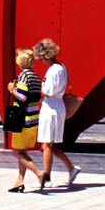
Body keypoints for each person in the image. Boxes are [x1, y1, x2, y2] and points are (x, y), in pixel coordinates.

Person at [33, 38, 79, 187]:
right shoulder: (61, 67)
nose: (41, 61)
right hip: (57, 106)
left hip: (51, 107)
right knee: (49, 143)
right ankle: (70, 167)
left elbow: (48, 91)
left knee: (46, 144)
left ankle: (47, 178)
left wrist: (35, 88)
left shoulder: (53, 70)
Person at [6, 49, 45, 192]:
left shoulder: (23, 76)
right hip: (34, 119)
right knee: (22, 151)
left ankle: (39, 174)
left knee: (17, 152)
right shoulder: (35, 77)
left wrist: (12, 89)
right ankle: (19, 181)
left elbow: (22, 97)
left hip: (22, 120)